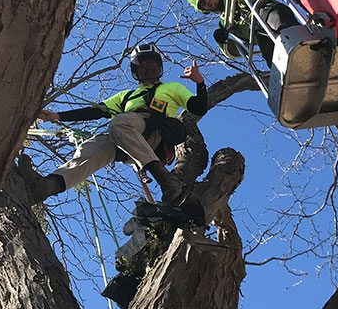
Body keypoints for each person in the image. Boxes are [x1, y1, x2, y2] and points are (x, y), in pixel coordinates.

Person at [18, 43, 208, 204]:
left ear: (159, 68)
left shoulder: (171, 87)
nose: (149, 68)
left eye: (152, 64)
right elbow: (96, 111)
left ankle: (166, 181)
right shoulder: (126, 96)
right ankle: (46, 187)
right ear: (136, 71)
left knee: (119, 123)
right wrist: (58, 116)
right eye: (143, 65)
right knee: (89, 149)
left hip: (152, 133)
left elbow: (198, 107)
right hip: (126, 139)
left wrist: (199, 83)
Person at [186, 0, 299, 68]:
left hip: (269, 13)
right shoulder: (223, 24)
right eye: (203, 3)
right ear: (204, 10)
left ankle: (300, 48)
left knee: (285, 35)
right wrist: (223, 40)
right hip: (261, 36)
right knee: (275, 62)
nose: (208, 1)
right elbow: (232, 53)